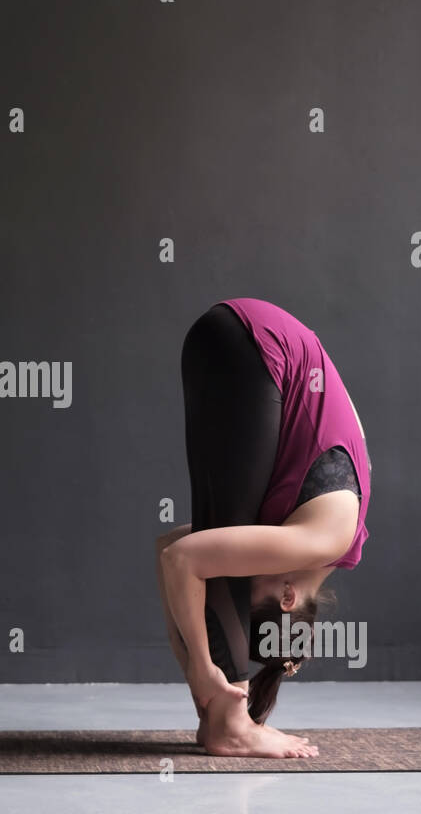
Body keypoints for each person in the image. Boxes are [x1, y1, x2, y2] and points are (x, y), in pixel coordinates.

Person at [154, 298, 372, 758]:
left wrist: (201, 675)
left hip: (231, 340)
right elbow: (185, 559)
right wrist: (199, 664)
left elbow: (171, 545)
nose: (239, 577)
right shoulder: (321, 539)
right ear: (288, 597)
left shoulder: (313, 537)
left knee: (210, 558)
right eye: (245, 594)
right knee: (209, 565)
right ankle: (229, 725)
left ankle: (219, 717)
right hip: (255, 348)